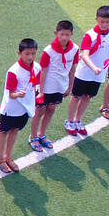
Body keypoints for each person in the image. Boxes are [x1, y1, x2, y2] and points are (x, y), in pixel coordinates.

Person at [0, 39, 41, 174]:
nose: (30, 57)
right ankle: (0, 159)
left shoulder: (36, 67)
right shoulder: (14, 71)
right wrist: (18, 94)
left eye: (33, 53)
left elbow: (35, 84)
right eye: (27, 54)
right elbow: (10, 94)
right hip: (11, 108)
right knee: (3, 132)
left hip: (25, 108)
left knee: (15, 131)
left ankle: (8, 157)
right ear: (20, 53)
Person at [67, 5, 109, 128]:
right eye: (102, 22)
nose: (104, 24)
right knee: (76, 97)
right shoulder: (90, 35)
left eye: (107, 22)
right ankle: (69, 121)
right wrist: (94, 68)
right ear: (96, 19)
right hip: (84, 73)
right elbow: (84, 55)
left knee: (87, 97)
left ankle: (78, 120)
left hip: (99, 75)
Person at [29, 20, 75, 150]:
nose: (64, 37)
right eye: (62, 34)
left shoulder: (74, 49)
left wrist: (70, 86)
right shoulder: (48, 51)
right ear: (56, 33)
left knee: (51, 110)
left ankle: (42, 134)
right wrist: (42, 92)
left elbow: (72, 69)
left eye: (67, 34)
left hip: (59, 87)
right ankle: (33, 137)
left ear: (71, 34)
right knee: (39, 112)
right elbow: (43, 72)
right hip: (46, 87)